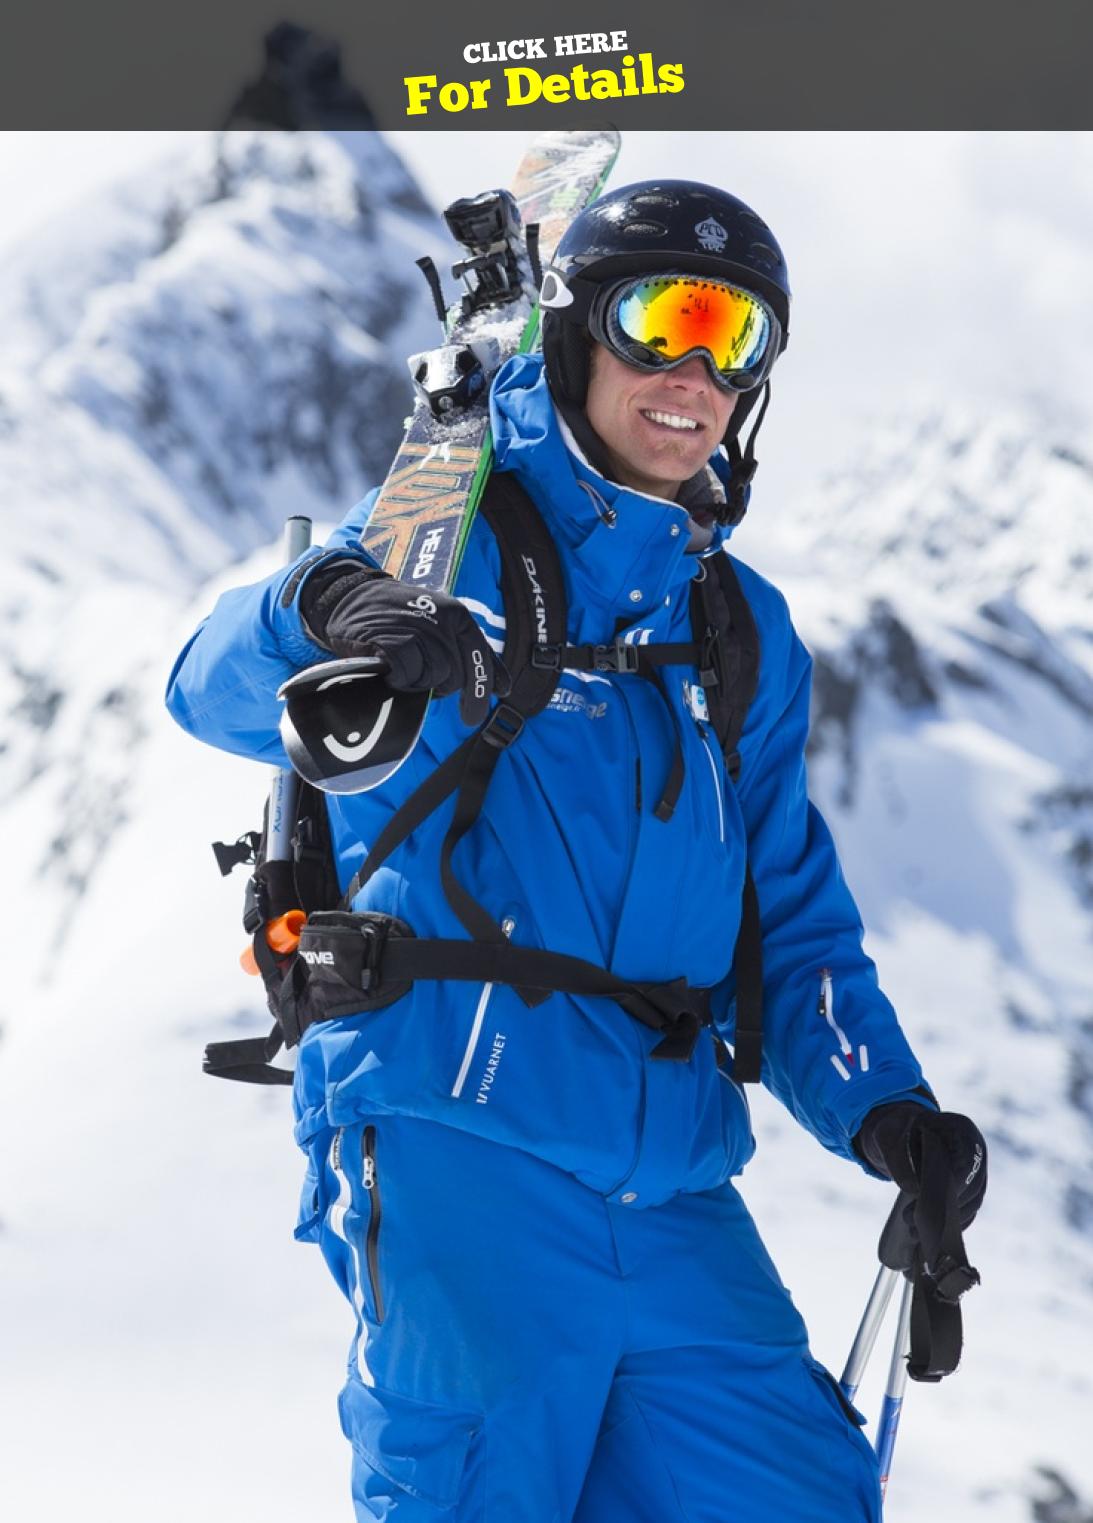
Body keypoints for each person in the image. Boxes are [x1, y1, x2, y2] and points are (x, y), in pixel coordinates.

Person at [167, 179, 987, 1523]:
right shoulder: (445, 545)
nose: (694, 371)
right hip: (453, 1137)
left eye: (736, 340)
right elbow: (204, 687)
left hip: (666, 1176)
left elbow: (785, 917)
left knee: (796, 1495)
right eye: (660, 318)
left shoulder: (736, 629)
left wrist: (884, 1112)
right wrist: (336, 600)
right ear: (572, 334)